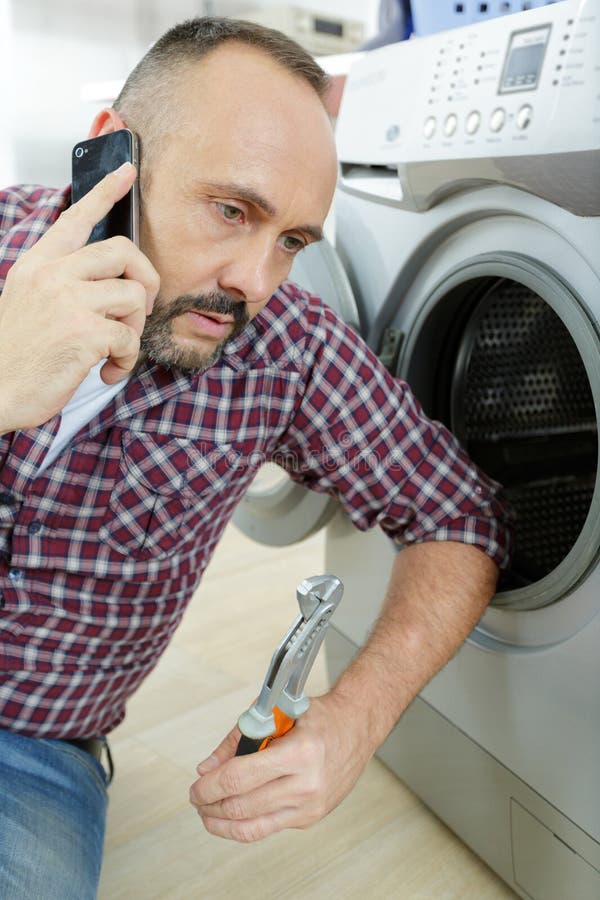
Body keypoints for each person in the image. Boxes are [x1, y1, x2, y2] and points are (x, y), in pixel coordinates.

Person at [0, 16, 512, 899]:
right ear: (110, 157)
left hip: (35, 753)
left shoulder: (287, 349)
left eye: (292, 240)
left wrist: (354, 718)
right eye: (232, 210)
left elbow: (459, 512)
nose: (255, 280)